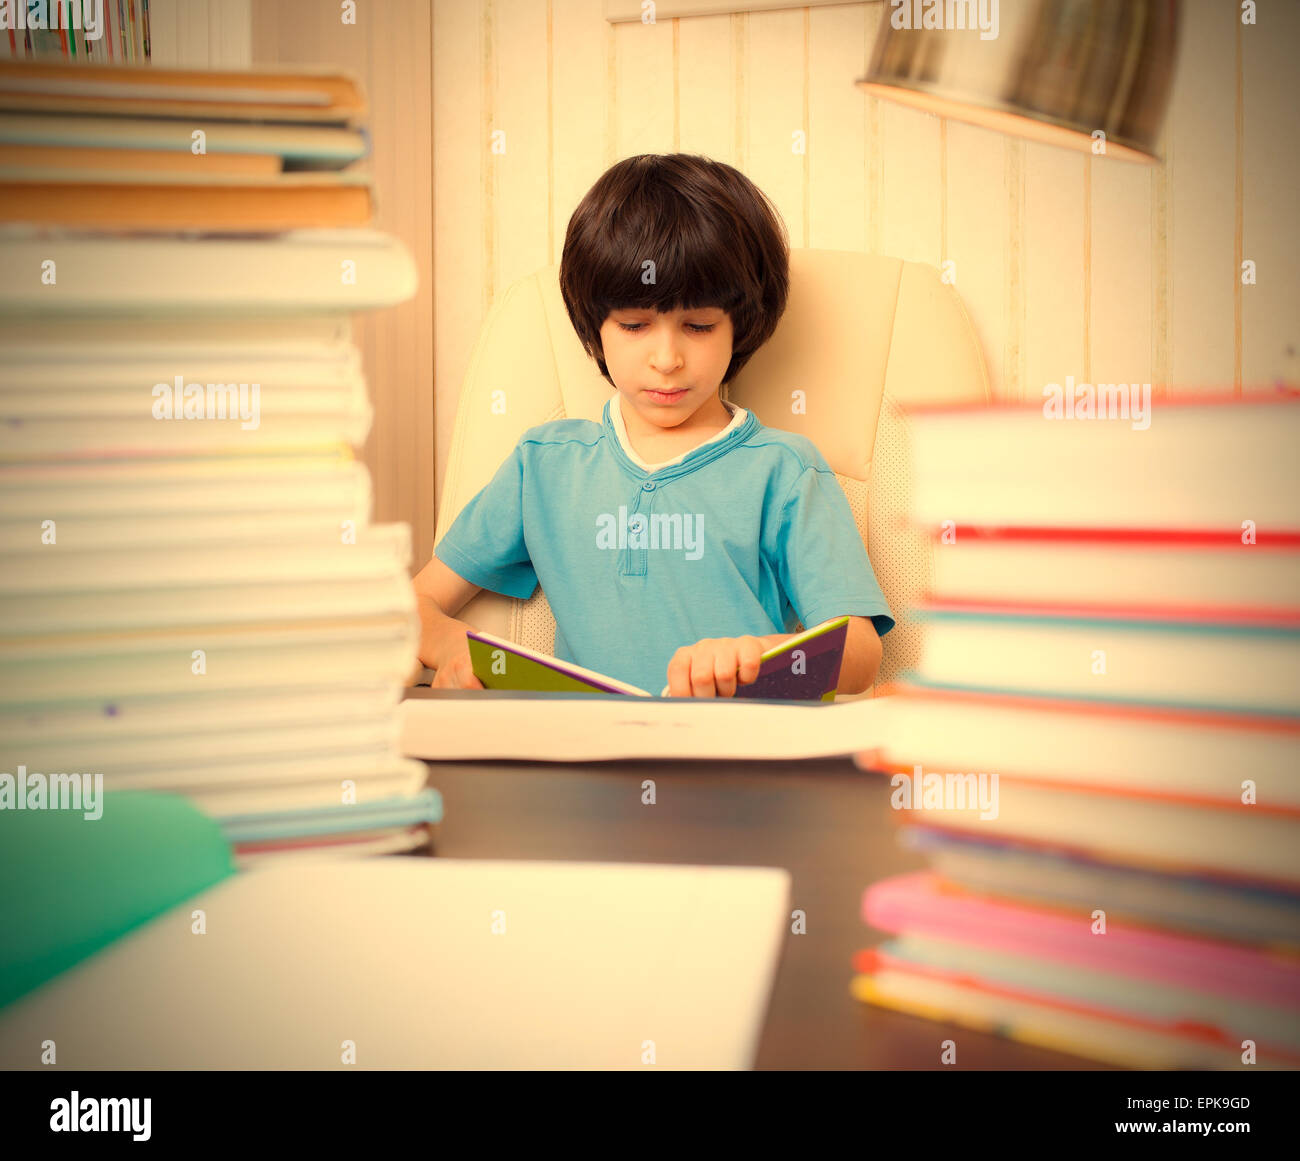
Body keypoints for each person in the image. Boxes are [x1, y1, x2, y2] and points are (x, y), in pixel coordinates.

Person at [414, 153, 894, 697]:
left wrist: (764, 655)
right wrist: (455, 646)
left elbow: (860, 651)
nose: (667, 358)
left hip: (733, 762)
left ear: (743, 326)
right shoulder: (544, 465)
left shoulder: (784, 469)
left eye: (699, 325)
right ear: (595, 331)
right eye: (635, 324)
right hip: (584, 763)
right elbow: (415, 605)